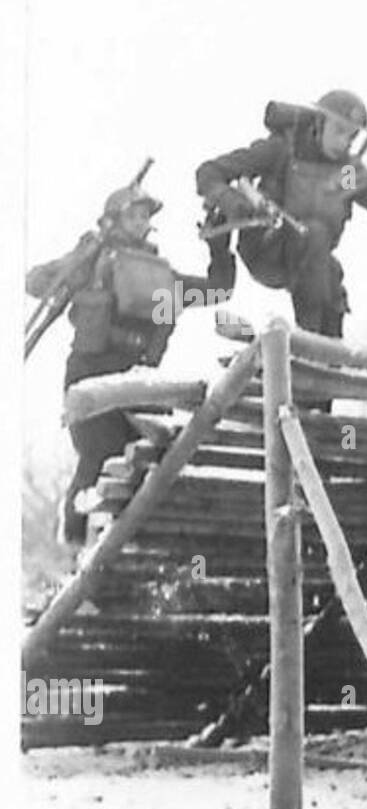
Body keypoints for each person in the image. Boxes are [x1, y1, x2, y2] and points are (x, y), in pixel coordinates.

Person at [26, 183, 236, 544]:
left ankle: (121, 554)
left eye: (145, 216)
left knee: (143, 465)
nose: (140, 223)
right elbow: (35, 282)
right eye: (133, 215)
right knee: (96, 458)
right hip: (90, 372)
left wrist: (220, 245)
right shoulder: (94, 262)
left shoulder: (163, 278)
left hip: (138, 379)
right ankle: (75, 555)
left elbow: (219, 289)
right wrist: (82, 255)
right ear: (113, 220)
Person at [196, 89, 367, 339]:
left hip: (310, 261)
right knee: (314, 236)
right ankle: (310, 341)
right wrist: (233, 203)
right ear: (319, 122)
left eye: (351, 136)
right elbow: (208, 173)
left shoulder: (346, 173)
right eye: (338, 130)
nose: (343, 142)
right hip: (266, 252)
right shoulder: (282, 151)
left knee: (331, 278)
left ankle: (331, 358)